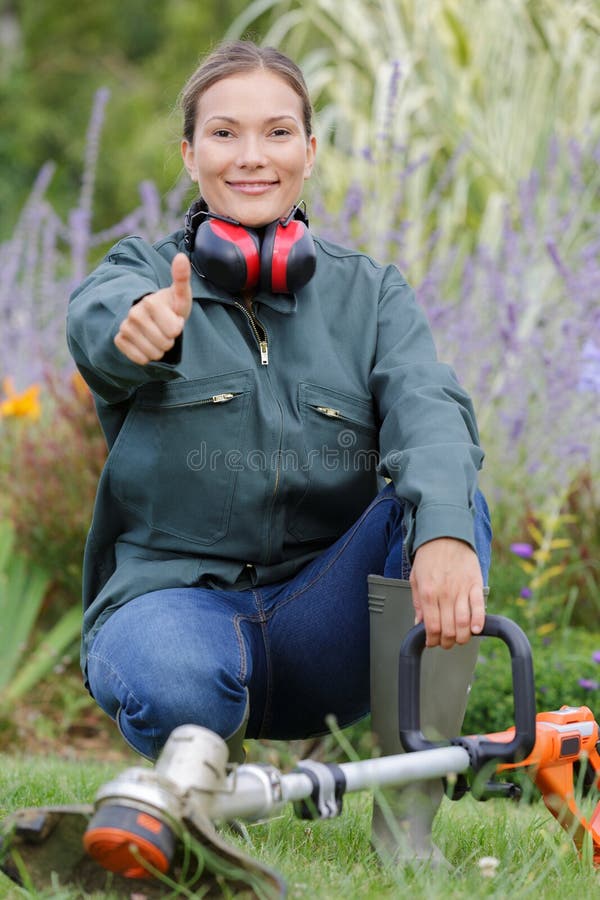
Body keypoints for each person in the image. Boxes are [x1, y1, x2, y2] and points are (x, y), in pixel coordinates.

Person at [67, 39, 491, 864]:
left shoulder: (371, 293)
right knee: (174, 681)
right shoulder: (141, 274)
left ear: (311, 149)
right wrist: (134, 332)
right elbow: (96, 323)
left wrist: (442, 532)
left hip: (323, 621)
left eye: (278, 132)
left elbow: (429, 408)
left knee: (447, 499)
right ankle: (201, 790)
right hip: (174, 608)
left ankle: (404, 831)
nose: (252, 157)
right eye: (224, 134)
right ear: (189, 155)